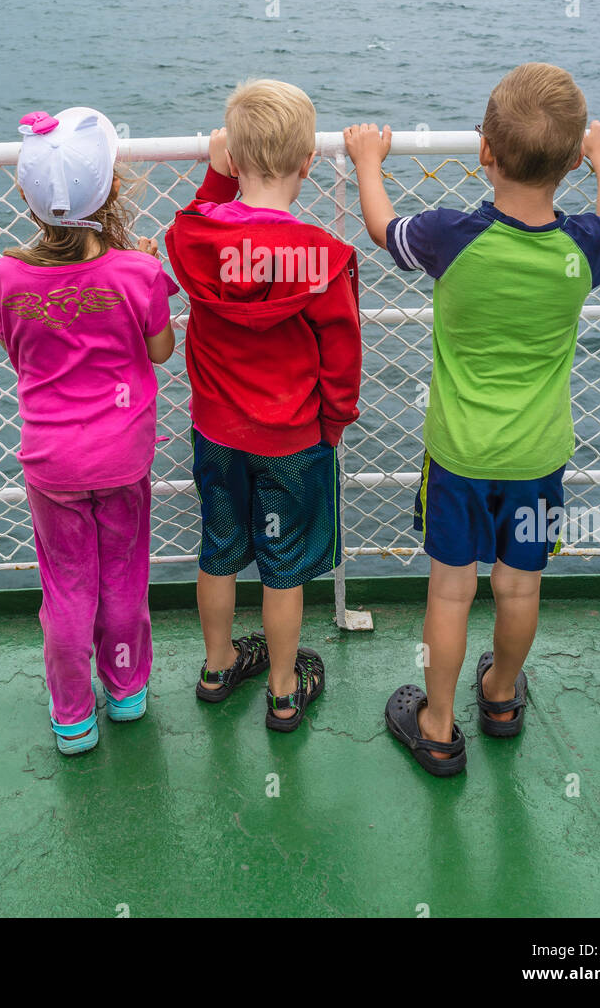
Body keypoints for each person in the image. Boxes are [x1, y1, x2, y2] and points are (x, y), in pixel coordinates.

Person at [344, 63, 600, 776]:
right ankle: (500, 696)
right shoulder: (584, 247)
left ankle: (437, 726)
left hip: (460, 455)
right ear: (568, 161)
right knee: (519, 584)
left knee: (451, 588)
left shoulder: (451, 235)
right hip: (538, 458)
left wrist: (367, 161)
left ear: (485, 152)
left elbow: (384, 230)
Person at [166, 79, 362, 730]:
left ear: (235, 158)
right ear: (308, 164)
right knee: (282, 570)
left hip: (217, 433)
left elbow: (191, 227)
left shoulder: (192, 239)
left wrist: (218, 179)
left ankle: (218, 665)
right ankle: (283, 690)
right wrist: (332, 424)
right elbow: (342, 356)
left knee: (218, 550)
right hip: (293, 442)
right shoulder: (322, 260)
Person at [0, 107, 177, 755]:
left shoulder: (5, 278)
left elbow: (21, 354)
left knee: (68, 586)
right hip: (122, 457)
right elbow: (159, 352)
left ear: (26, 197)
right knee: (123, 574)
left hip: (51, 460)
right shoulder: (139, 273)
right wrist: (142, 269)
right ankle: (125, 690)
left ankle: (73, 715)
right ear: (114, 188)